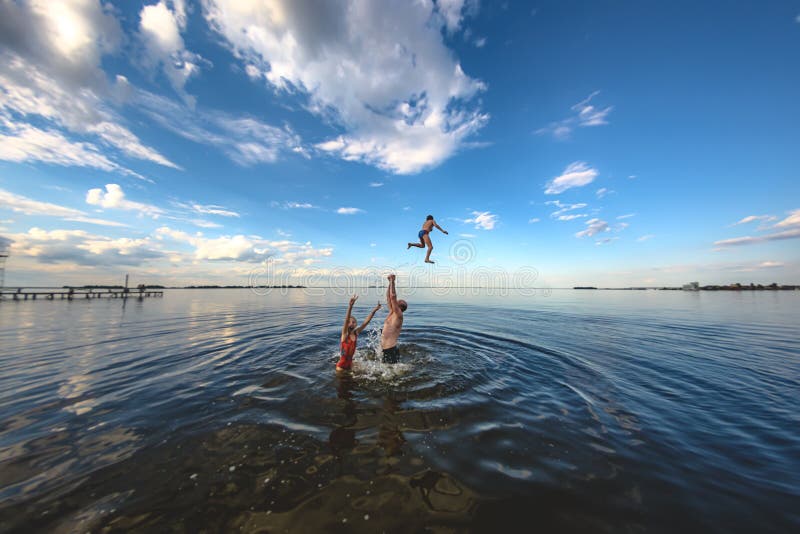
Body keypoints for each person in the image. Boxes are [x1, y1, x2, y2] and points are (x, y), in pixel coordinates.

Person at [337, 295, 381, 371]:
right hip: (341, 366)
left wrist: (374, 311)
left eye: (354, 322)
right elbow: (346, 320)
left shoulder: (356, 333)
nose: (351, 323)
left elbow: (366, 322)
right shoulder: (344, 335)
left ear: (356, 324)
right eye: (350, 322)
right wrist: (350, 306)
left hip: (350, 364)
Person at [381, 274, 407, 364]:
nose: (395, 301)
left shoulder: (398, 314)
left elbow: (393, 296)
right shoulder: (392, 312)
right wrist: (389, 283)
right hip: (387, 349)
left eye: (398, 301)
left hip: (390, 350)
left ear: (400, 307)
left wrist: (393, 281)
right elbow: (389, 297)